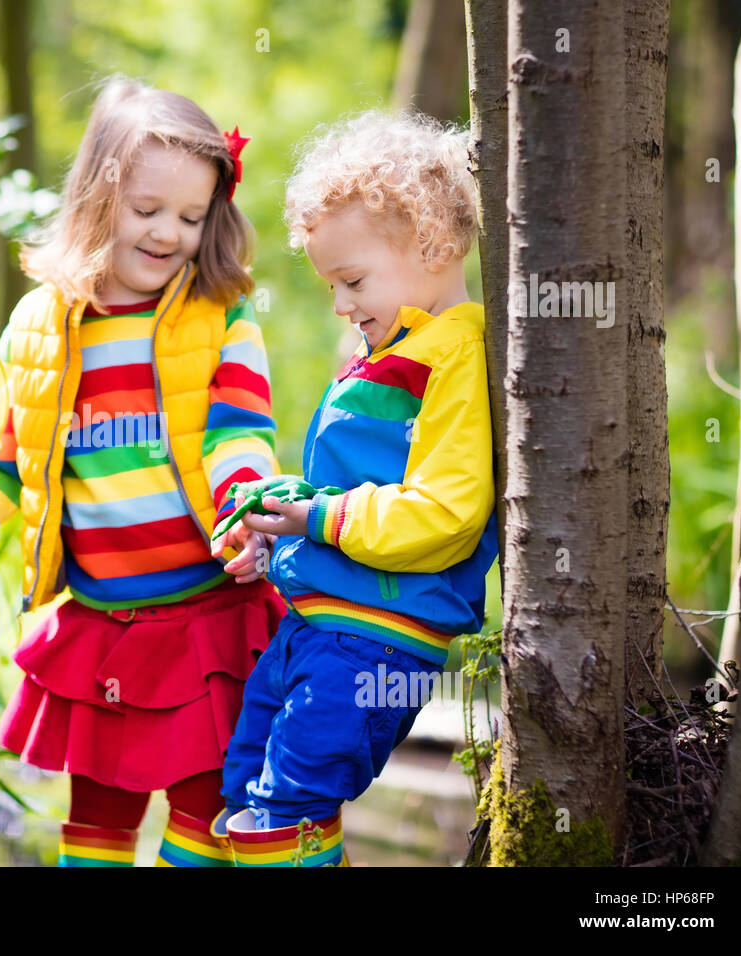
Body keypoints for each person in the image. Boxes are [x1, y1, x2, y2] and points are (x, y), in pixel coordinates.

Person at [0, 76, 285, 867]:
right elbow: (5, 474)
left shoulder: (219, 313)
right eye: (148, 210)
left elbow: (240, 434)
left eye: (192, 218)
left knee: (206, 808)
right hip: (99, 631)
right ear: (97, 198)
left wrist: (248, 516)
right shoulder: (40, 329)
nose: (169, 234)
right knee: (97, 816)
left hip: (205, 622)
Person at [210, 109, 500, 867]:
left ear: (433, 244)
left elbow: (446, 515)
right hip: (318, 625)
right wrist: (279, 515)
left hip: (375, 640)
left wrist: (317, 517)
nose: (341, 305)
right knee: (245, 791)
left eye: (352, 281)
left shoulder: (454, 356)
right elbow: (362, 489)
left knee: (288, 808)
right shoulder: (398, 348)